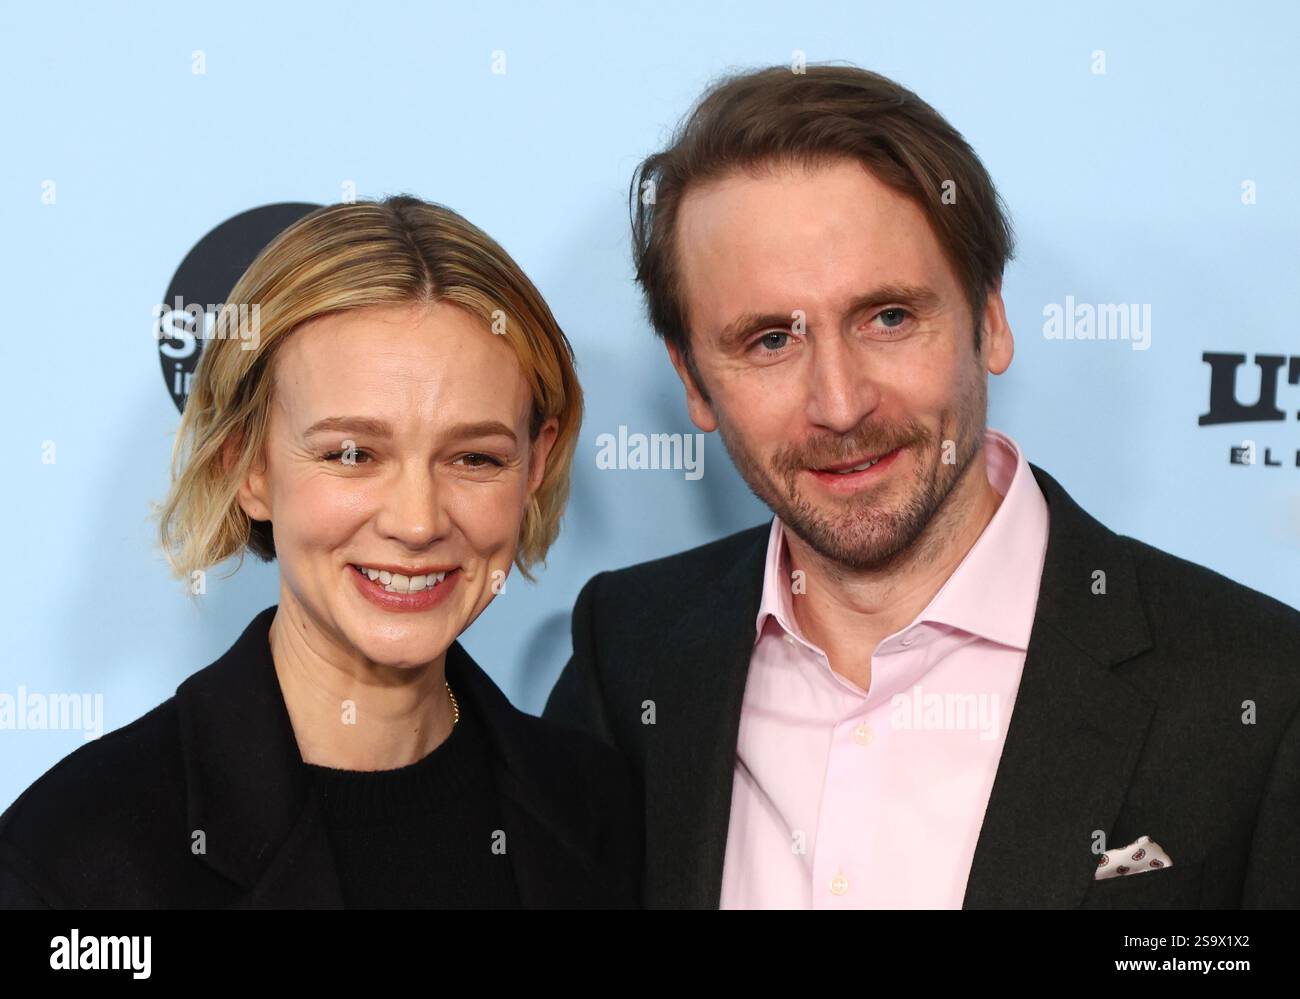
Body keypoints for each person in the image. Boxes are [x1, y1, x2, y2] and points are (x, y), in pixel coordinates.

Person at [543, 64, 1300, 909]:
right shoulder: (633, 655)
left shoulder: (1259, 692)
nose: (840, 404)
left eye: (889, 317)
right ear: (692, 381)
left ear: (991, 317)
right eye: (767, 341)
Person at [0, 195, 640, 908]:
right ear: (247, 467)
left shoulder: (604, 811)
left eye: (475, 458)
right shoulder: (79, 856)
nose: (418, 520)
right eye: (354, 452)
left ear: (536, 466)